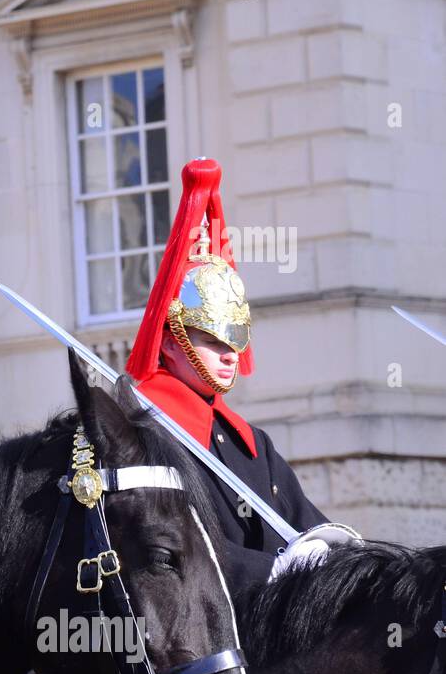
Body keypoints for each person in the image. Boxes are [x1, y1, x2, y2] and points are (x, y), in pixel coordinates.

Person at [125, 157, 357, 594]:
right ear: (171, 341)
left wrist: (355, 562)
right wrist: (273, 572)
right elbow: (172, 548)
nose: (230, 355)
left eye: (236, 340)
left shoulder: (253, 447)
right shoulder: (147, 436)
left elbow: (305, 522)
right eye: (214, 340)